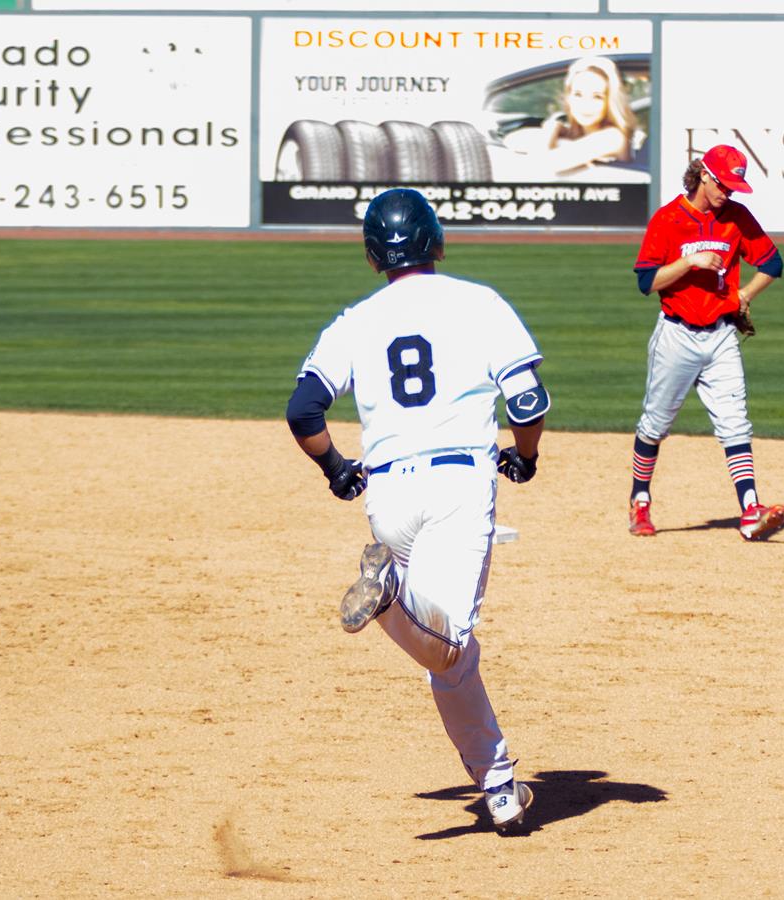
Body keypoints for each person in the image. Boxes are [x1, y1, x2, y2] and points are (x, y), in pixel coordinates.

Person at [285, 188, 550, 835]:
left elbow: (303, 411)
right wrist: (526, 456)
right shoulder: (479, 303)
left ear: (374, 255)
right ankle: (390, 593)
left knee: (452, 660)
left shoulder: (356, 321)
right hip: (459, 487)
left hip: (388, 498)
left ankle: (499, 788)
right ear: (436, 239)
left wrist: (335, 468)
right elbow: (527, 401)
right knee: (448, 641)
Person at [626, 144, 784, 542]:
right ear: (704, 176)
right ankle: (640, 501)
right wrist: (688, 263)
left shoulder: (736, 217)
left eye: (734, 187)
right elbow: (647, 283)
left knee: (736, 424)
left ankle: (750, 511)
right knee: (655, 424)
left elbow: (773, 264)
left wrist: (744, 296)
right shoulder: (667, 219)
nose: (728, 194)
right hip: (676, 335)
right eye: (724, 185)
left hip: (721, 337)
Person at [512, 56, 637, 176]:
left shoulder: (613, 137)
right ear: (568, 98)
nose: (586, 105)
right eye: (578, 94)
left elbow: (543, 165)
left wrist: (552, 129)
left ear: (609, 102)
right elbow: (512, 140)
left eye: (597, 97)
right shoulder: (576, 134)